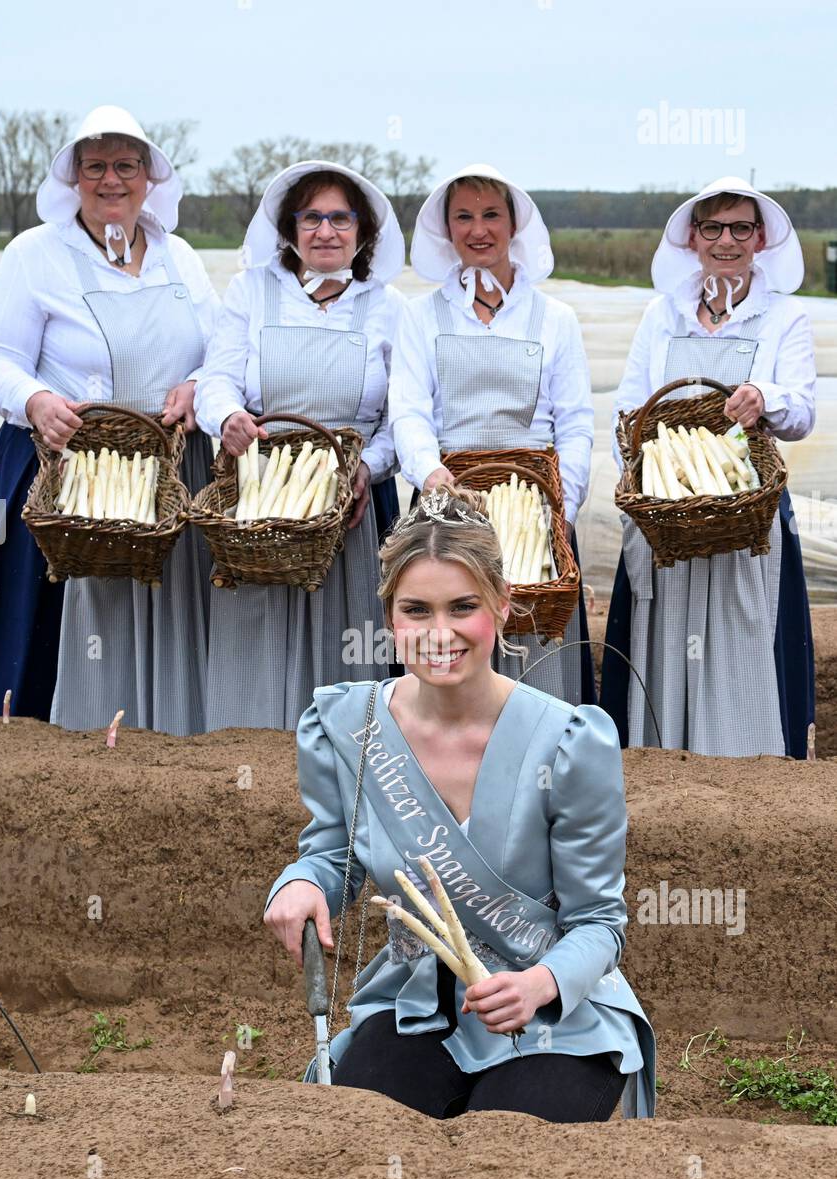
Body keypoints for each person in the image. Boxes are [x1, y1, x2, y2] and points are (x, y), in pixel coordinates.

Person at [264, 486, 656, 1122]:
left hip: (556, 1014)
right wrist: (302, 882)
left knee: (507, 1159)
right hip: (417, 1004)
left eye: (463, 607)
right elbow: (334, 855)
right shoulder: (347, 726)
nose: (438, 633)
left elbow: (599, 924)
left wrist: (540, 984)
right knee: (365, 1144)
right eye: (416, 610)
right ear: (389, 615)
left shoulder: (571, 742)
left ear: (502, 607)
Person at [0, 105, 219, 732]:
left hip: (162, 473)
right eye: (95, 166)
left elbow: (223, 349)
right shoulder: (35, 254)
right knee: (46, 623)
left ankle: (150, 735)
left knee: (152, 612)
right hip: (60, 466)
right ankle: (27, 741)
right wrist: (34, 401)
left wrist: (197, 385)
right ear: (73, 178)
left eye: (126, 166)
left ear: (150, 177)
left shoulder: (179, 256)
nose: (112, 180)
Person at [600, 177, 816, 759]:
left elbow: (802, 412)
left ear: (760, 238)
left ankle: (749, 759)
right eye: (713, 228)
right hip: (666, 511)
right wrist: (659, 475)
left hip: (746, 510)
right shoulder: (659, 314)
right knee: (668, 640)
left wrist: (764, 398)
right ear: (693, 239)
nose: (727, 240)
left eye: (740, 228)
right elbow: (631, 406)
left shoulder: (783, 319)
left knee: (742, 636)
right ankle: (663, 754)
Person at [195, 161, 405, 731]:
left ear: (363, 232)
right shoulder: (252, 291)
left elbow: (401, 416)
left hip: (348, 503)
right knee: (254, 635)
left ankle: (345, 761)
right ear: (289, 229)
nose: (326, 231)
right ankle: (246, 759)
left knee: (348, 643)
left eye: (341, 218)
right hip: (258, 500)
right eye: (310, 217)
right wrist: (227, 417)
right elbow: (216, 379)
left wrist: (371, 467)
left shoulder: (387, 308)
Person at [388, 165, 596, 706]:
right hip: (447, 503)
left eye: (490, 215)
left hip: (533, 506)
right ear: (446, 229)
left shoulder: (555, 318)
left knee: (536, 638)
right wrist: (431, 475)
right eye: (464, 217)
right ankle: (446, 762)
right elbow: (408, 411)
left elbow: (574, 422)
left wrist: (560, 508)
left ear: (514, 224)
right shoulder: (421, 316)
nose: (478, 229)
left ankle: (542, 760)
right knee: (451, 633)